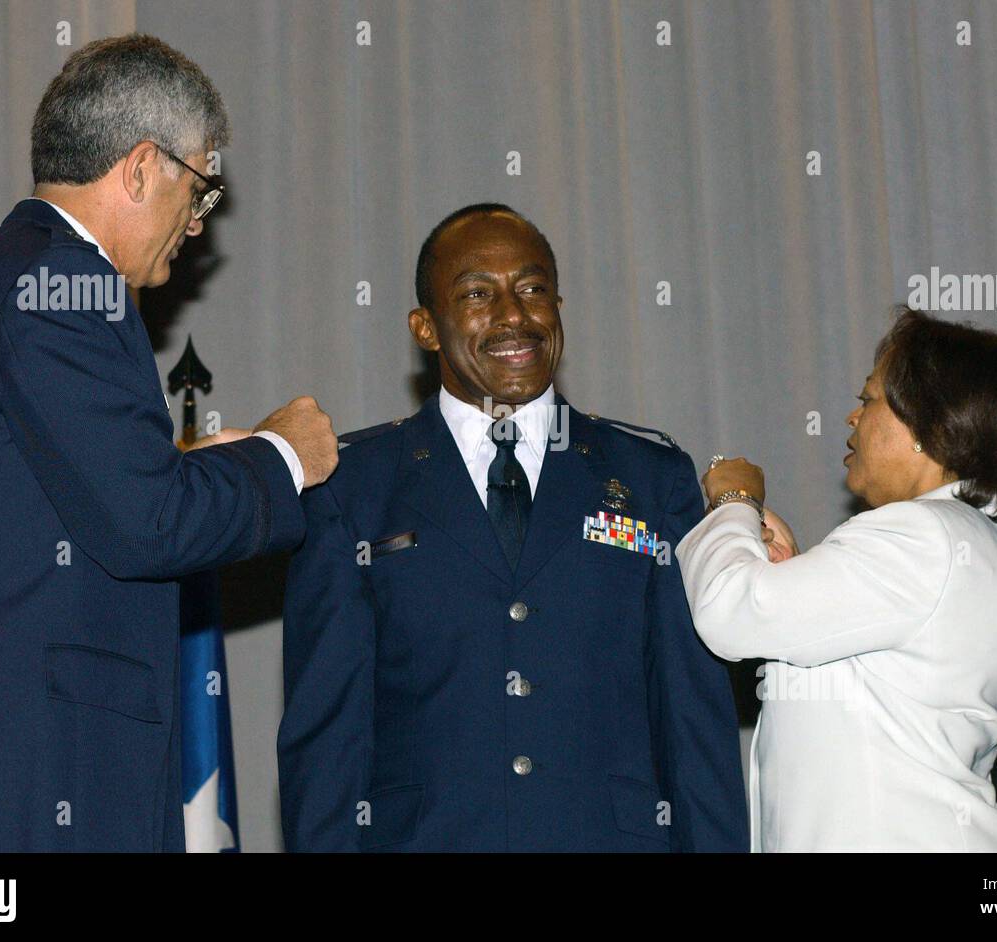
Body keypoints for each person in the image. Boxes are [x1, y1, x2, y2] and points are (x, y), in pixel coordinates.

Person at [0, 35, 338, 852]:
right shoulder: (70, 291)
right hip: (45, 778)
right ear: (140, 168)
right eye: (200, 189)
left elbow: (71, 505)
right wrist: (283, 455)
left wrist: (200, 470)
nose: (199, 223)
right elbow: (147, 524)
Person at [278, 203, 748, 851]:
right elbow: (326, 740)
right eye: (477, 293)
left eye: (532, 289)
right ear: (425, 327)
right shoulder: (352, 487)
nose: (513, 315)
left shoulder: (648, 477)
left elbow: (694, 723)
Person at [676, 307, 997, 851]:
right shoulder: (966, 541)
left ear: (931, 424)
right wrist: (792, 577)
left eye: (868, 400)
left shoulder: (925, 535)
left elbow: (730, 611)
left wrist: (732, 500)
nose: (852, 420)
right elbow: (872, 691)